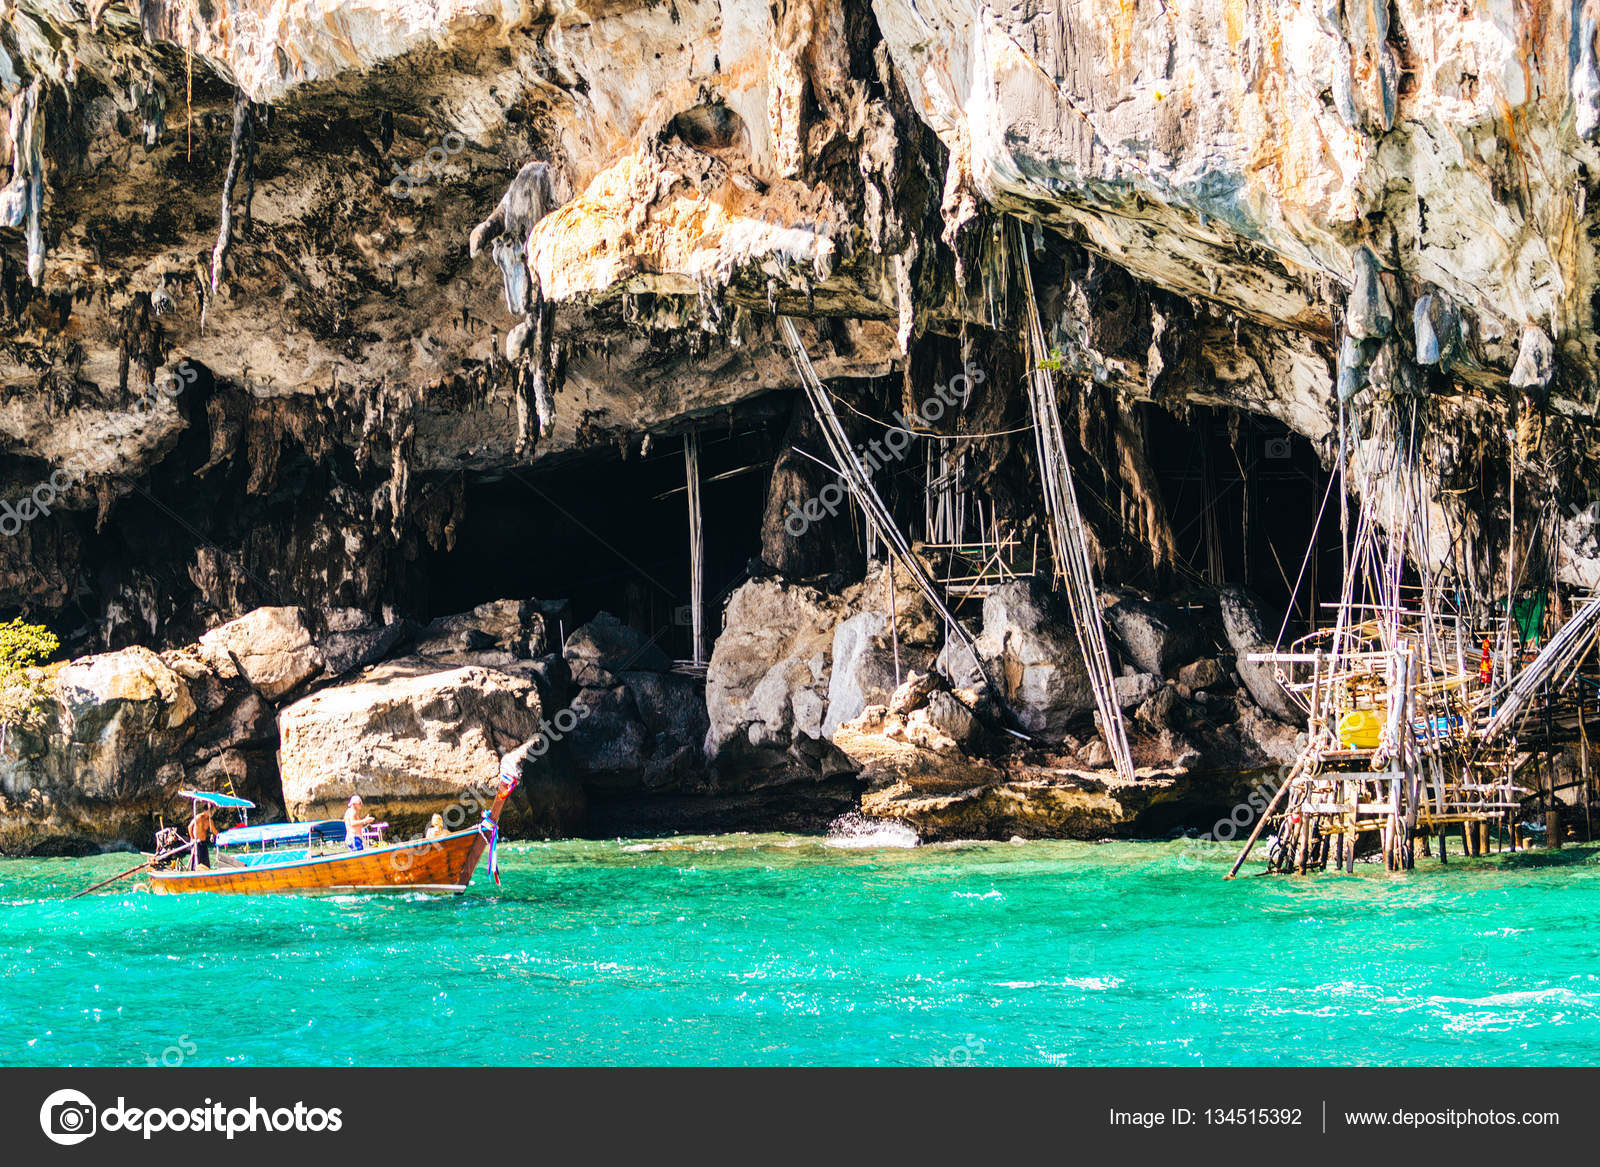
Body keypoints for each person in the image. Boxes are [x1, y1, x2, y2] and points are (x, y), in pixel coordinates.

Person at [188, 805, 218, 870]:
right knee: (196, 861)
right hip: (196, 842)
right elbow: (190, 827)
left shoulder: (210, 821)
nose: (211, 813)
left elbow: (215, 831)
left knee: (205, 862)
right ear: (205, 811)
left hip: (203, 842)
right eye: (209, 811)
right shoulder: (199, 817)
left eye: (211, 811)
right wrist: (192, 839)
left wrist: (222, 839)